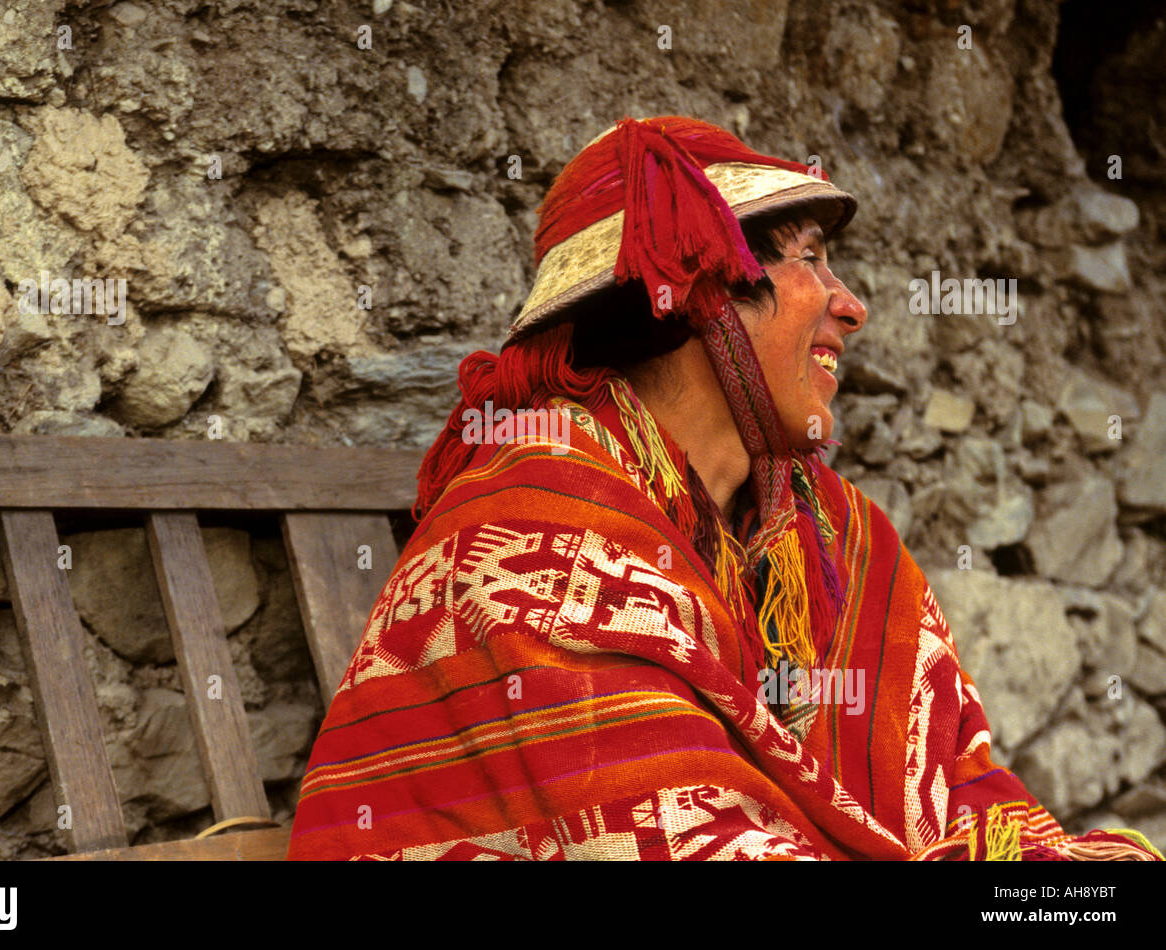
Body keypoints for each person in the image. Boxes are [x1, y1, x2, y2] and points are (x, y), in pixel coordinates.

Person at [286, 115, 1162, 861]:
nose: (849, 304)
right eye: (809, 261)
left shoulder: (831, 539)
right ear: (696, 291)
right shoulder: (529, 541)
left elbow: (967, 793)